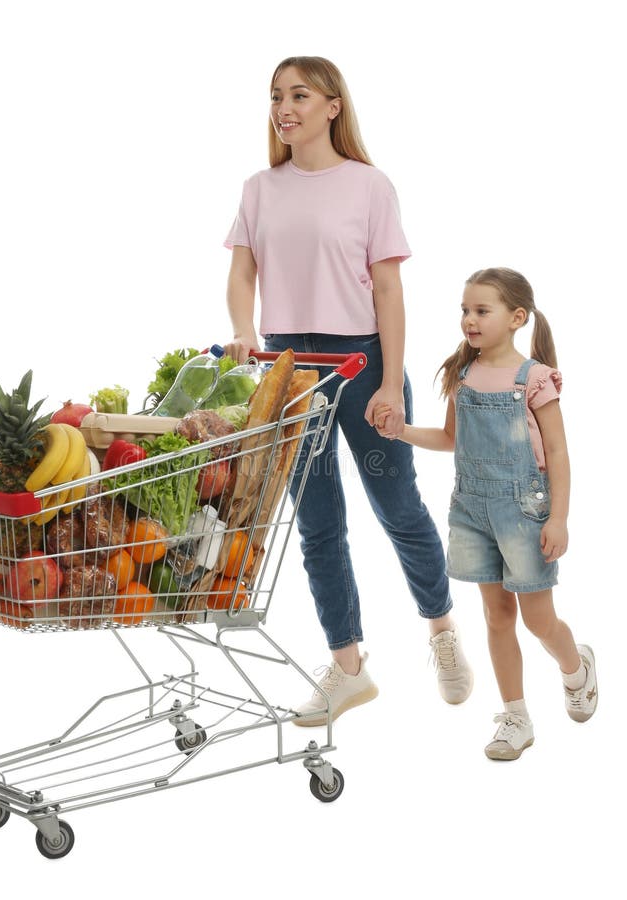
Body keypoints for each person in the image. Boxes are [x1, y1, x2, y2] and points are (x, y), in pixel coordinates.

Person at [222, 55, 473, 726]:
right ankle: (347, 667)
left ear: (332, 105)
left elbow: (387, 289)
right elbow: (242, 275)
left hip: (360, 365)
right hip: (288, 370)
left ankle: (441, 630)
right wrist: (244, 332)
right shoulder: (258, 188)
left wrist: (390, 380)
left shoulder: (369, 186)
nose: (284, 106)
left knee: (397, 505)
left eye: (299, 94)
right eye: (277, 95)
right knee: (317, 521)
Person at [387, 267, 597, 759]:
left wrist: (559, 518)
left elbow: (559, 455)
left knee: (539, 621)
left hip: (525, 514)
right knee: (497, 616)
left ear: (517, 317)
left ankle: (577, 668)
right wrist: (401, 432)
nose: (470, 319)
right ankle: (515, 717)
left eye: (482, 310)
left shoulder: (535, 380)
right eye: (465, 310)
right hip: (472, 511)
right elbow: (450, 439)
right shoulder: (463, 374)